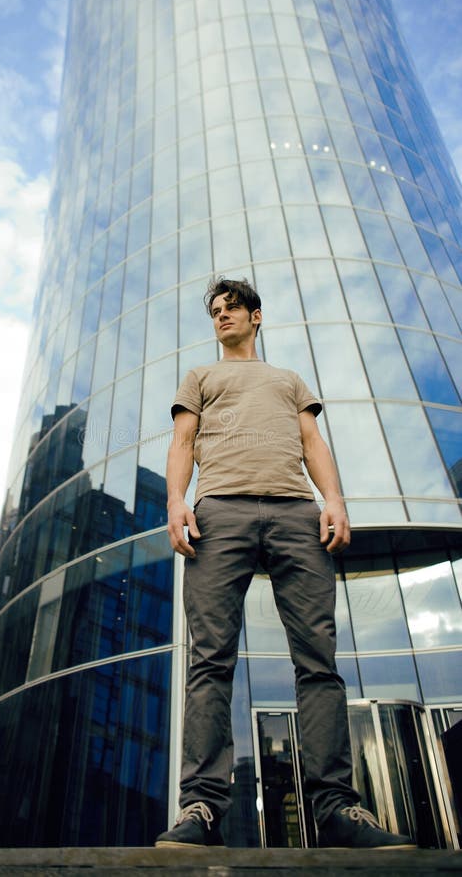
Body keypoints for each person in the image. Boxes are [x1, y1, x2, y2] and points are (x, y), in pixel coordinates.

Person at [155, 277, 416, 850]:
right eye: (215, 311)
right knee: (209, 661)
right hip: (218, 512)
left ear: (257, 316)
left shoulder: (287, 379)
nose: (222, 316)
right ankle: (201, 807)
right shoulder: (200, 377)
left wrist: (335, 501)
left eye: (232, 309)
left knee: (318, 663)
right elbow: (181, 441)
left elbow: (313, 442)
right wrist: (176, 502)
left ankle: (337, 809)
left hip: (297, 514)